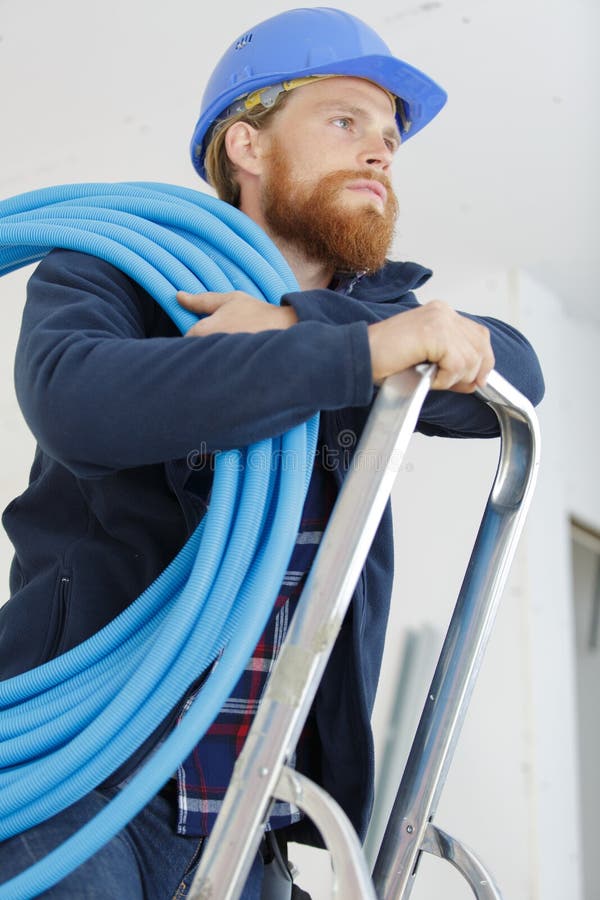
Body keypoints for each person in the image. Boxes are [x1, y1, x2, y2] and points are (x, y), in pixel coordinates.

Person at [0, 6, 544, 898]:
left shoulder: (389, 324)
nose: (379, 151)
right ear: (247, 146)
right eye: (345, 121)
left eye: (389, 138)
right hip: (81, 792)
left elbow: (511, 371)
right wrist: (351, 357)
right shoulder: (116, 271)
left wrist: (302, 326)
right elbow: (78, 404)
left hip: (256, 820)